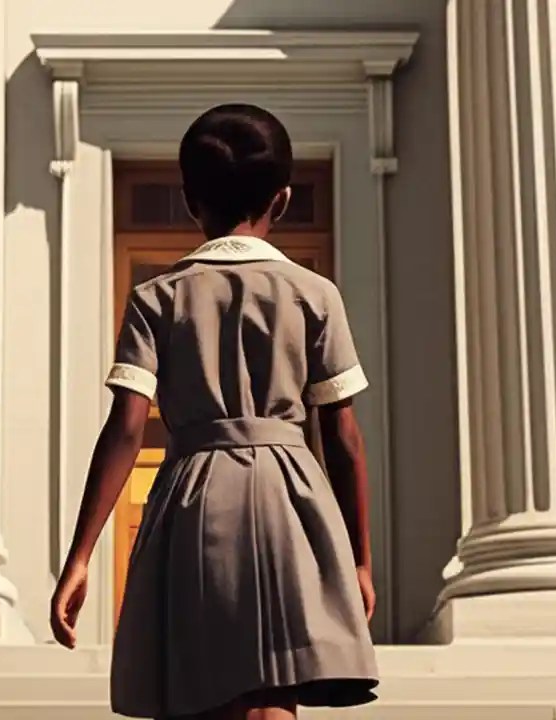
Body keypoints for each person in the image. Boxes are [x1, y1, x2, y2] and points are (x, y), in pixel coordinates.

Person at [51, 103, 379, 720]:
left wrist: (81, 555)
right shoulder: (316, 295)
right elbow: (342, 432)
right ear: (282, 201)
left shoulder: (156, 296)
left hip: (194, 499)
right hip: (292, 499)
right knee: (273, 690)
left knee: (199, 687)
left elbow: (125, 427)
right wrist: (359, 558)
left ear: (189, 200)